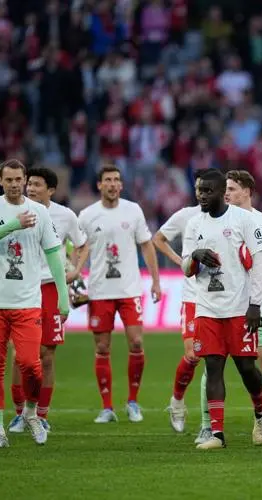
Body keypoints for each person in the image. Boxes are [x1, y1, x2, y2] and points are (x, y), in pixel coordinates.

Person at [0, 159, 70, 448]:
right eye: (9, 180)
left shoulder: (39, 212)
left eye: (18, 179)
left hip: (27, 302)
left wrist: (63, 295)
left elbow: (53, 253)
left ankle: (30, 412)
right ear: (0, 181)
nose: (14, 184)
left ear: (25, 180)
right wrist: (14, 224)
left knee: (31, 364)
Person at [181, 168, 262, 450]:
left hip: (240, 307)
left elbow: (258, 263)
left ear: (222, 193)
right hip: (207, 308)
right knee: (213, 367)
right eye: (199, 190)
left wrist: (255, 304)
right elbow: (186, 268)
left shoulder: (244, 220)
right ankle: (217, 434)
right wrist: (195, 256)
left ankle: (261, 412)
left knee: (246, 368)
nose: (202, 196)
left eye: (208, 191)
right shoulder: (194, 224)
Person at [78, 165, 162, 424]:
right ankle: (107, 408)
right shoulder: (87, 215)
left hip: (129, 290)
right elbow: (77, 249)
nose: (113, 184)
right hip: (99, 291)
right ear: (99, 185)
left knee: (136, 342)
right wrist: (74, 281)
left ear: (121, 185)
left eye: (116, 180)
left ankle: (133, 402)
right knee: (102, 347)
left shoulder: (133, 210)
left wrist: (156, 281)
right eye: (108, 180)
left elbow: (146, 245)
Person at [8, 167, 88, 434]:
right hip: (22, 288)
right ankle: (19, 414)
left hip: (52, 288)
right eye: (29, 183)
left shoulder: (65, 215)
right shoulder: (15, 211)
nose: (30, 188)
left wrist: (76, 270)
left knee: (47, 355)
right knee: (19, 354)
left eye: (37, 184)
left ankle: (41, 414)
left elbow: (82, 244)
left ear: (51, 190)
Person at [220, 169, 262, 444]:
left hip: (261, 301)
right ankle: (207, 426)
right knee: (216, 362)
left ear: (247, 191)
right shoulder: (217, 221)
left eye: (232, 189)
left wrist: (260, 270)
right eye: (225, 189)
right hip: (227, 303)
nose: (226, 193)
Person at [152, 194, 202, 435]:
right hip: (193, 298)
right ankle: (177, 401)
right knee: (193, 355)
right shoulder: (186, 216)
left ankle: (212, 419)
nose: (204, 193)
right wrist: (180, 260)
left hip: (226, 299)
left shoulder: (233, 217)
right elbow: (158, 239)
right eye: (200, 188)